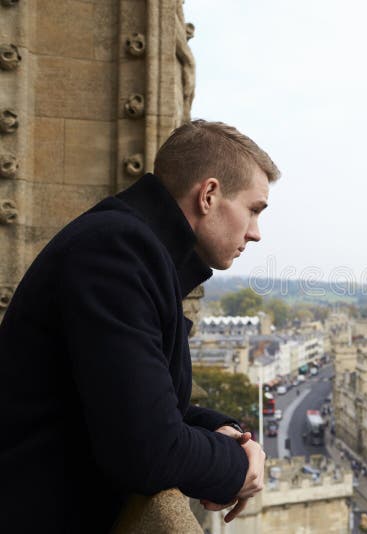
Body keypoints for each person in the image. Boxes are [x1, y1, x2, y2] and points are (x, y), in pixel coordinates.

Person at [0, 120, 280, 532]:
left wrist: (235, 436)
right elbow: (147, 450)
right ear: (208, 195)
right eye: (254, 210)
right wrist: (238, 466)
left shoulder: (135, 249)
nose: (255, 233)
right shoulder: (118, 251)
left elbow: (149, 404)